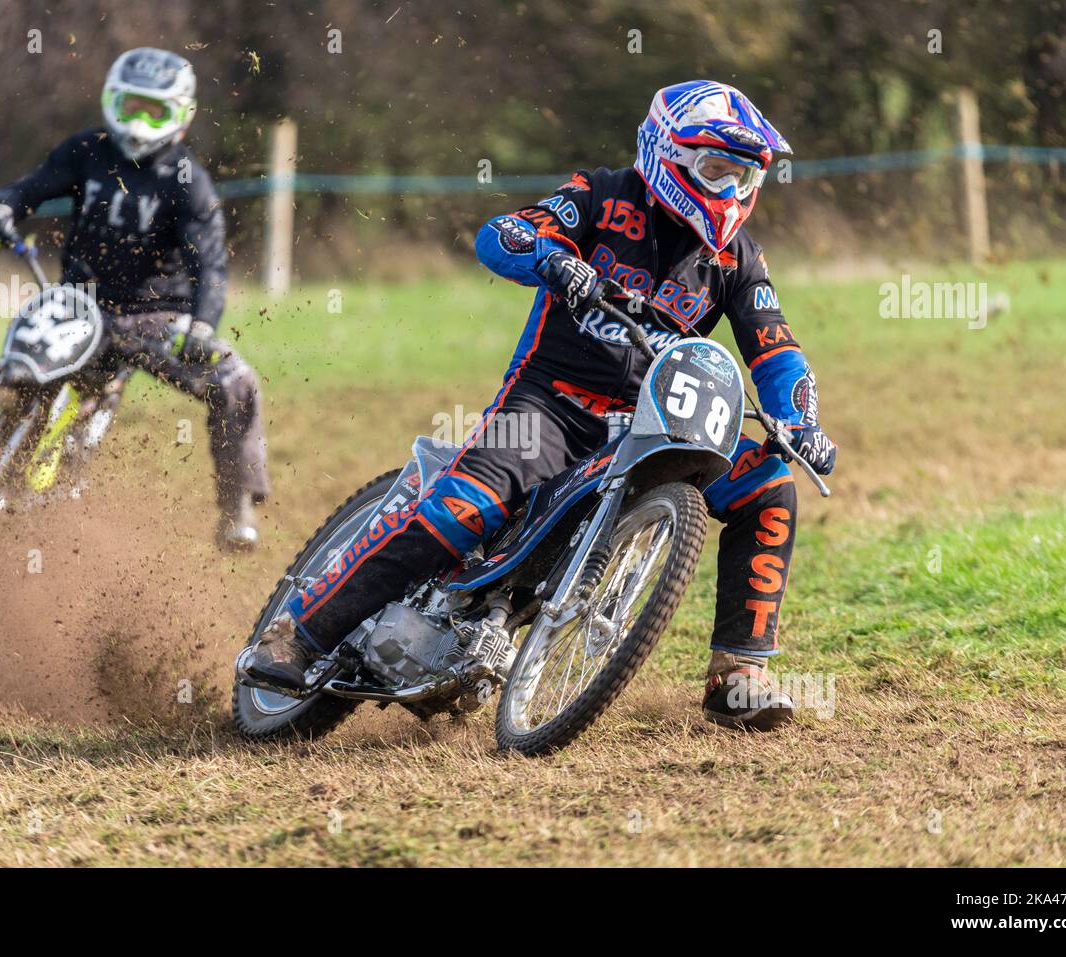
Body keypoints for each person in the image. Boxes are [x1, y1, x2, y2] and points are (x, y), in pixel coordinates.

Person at [244, 80, 837, 729]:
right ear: (668, 156)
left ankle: (739, 673)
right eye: (717, 170)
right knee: (463, 507)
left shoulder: (736, 257)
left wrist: (800, 422)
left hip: (654, 419)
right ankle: (301, 636)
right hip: (549, 405)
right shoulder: (604, 197)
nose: (731, 190)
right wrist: (554, 260)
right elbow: (503, 233)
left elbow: (777, 349)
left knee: (769, 484)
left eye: (745, 175)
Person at [0, 47, 269, 550]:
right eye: (130, 105)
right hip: (75, 302)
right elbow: (30, 189)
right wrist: (0, 209)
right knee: (18, 369)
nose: (138, 120)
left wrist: (201, 328)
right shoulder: (86, 151)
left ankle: (235, 508)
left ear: (182, 114)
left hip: (154, 320)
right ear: (111, 100)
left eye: (154, 110)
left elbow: (210, 267)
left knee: (236, 381)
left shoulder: (189, 182)